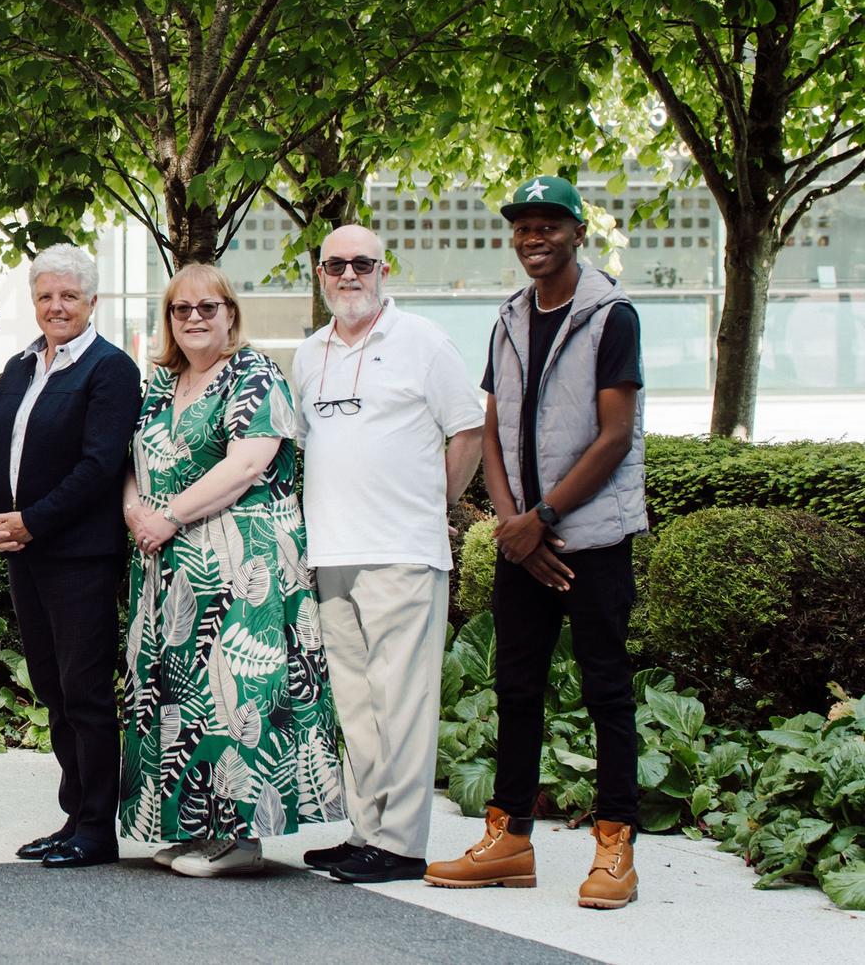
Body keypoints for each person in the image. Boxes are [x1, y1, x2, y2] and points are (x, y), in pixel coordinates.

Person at [426, 176, 647, 910]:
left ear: (578, 233)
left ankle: (615, 846)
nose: (533, 237)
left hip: (592, 538)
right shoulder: (510, 317)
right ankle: (509, 839)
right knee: (515, 688)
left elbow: (615, 436)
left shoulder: (611, 316)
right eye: (523, 226)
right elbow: (493, 427)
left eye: (550, 224)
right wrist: (513, 525)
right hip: (525, 538)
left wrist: (543, 518)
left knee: (606, 688)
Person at [119, 263, 341, 877]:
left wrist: (169, 516)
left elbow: (247, 464)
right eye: (180, 309)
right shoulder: (162, 382)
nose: (194, 318)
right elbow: (134, 459)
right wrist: (137, 509)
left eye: (207, 307)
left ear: (230, 313)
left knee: (237, 691)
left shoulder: (254, 374)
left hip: (243, 559)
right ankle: (193, 829)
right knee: (177, 696)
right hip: (167, 561)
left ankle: (240, 839)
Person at [292, 227, 483, 883]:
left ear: (384, 269)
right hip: (330, 550)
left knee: (400, 700)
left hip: (402, 549)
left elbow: (467, 431)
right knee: (356, 701)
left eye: (362, 264)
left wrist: (435, 506)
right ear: (320, 275)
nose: (350, 275)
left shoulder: (424, 343)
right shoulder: (308, 352)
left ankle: (399, 844)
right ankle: (365, 831)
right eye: (336, 265)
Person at [0, 244, 141, 869]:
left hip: (79, 555)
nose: (56, 306)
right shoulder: (21, 366)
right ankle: (74, 813)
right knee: (51, 687)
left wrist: (33, 522)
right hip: (27, 551)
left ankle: (99, 829)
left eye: (69, 296)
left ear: (92, 301)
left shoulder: (109, 369)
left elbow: (101, 466)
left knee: (86, 693)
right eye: (46, 295)